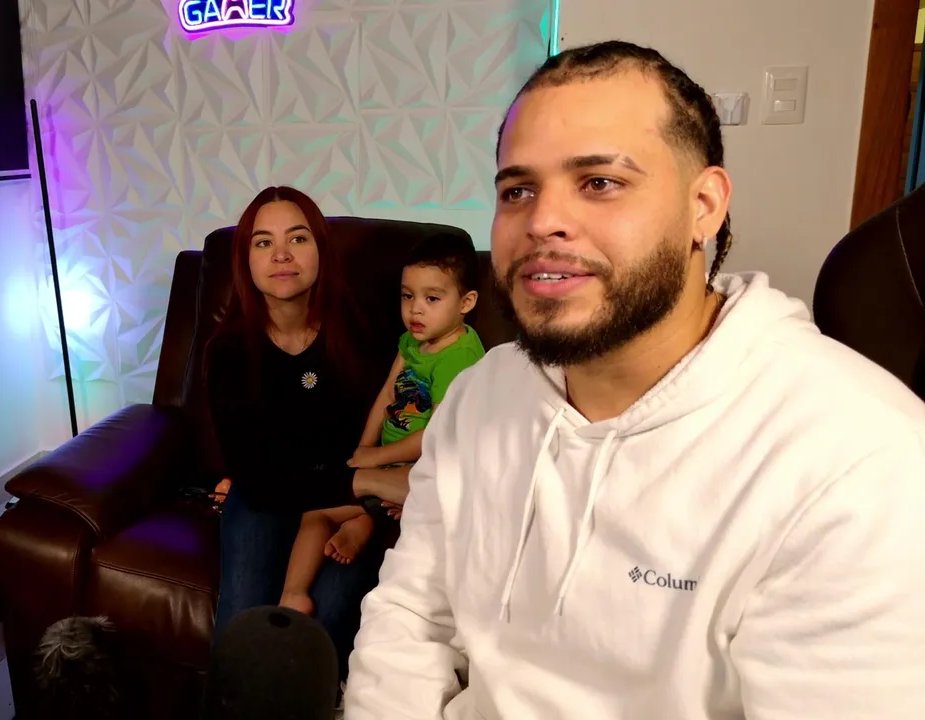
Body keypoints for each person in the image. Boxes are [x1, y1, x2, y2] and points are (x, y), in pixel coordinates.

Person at [344, 40, 925, 719]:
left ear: (704, 205)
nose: (542, 222)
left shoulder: (862, 460)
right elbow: (412, 619)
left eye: (600, 182)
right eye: (518, 190)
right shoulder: (481, 393)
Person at [205, 186, 391, 683]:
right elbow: (258, 479)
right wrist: (366, 484)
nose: (282, 255)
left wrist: (369, 507)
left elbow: (389, 434)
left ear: (321, 250)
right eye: (263, 242)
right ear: (245, 261)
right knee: (243, 629)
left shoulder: (363, 330)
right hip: (267, 497)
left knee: (325, 615)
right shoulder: (228, 352)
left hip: (345, 505)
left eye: (298, 238)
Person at [279, 236, 485, 617]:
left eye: (432, 298)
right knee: (315, 511)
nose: (415, 309)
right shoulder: (411, 342)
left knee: (419, 485)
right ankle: (293, 596)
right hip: (387, 460)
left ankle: (367, 516)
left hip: (427, 463)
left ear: (466, 303)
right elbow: (387, 394)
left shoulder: (461, 358)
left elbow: (437, 436)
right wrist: (364, 448)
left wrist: (375, 458)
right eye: (408, 296)